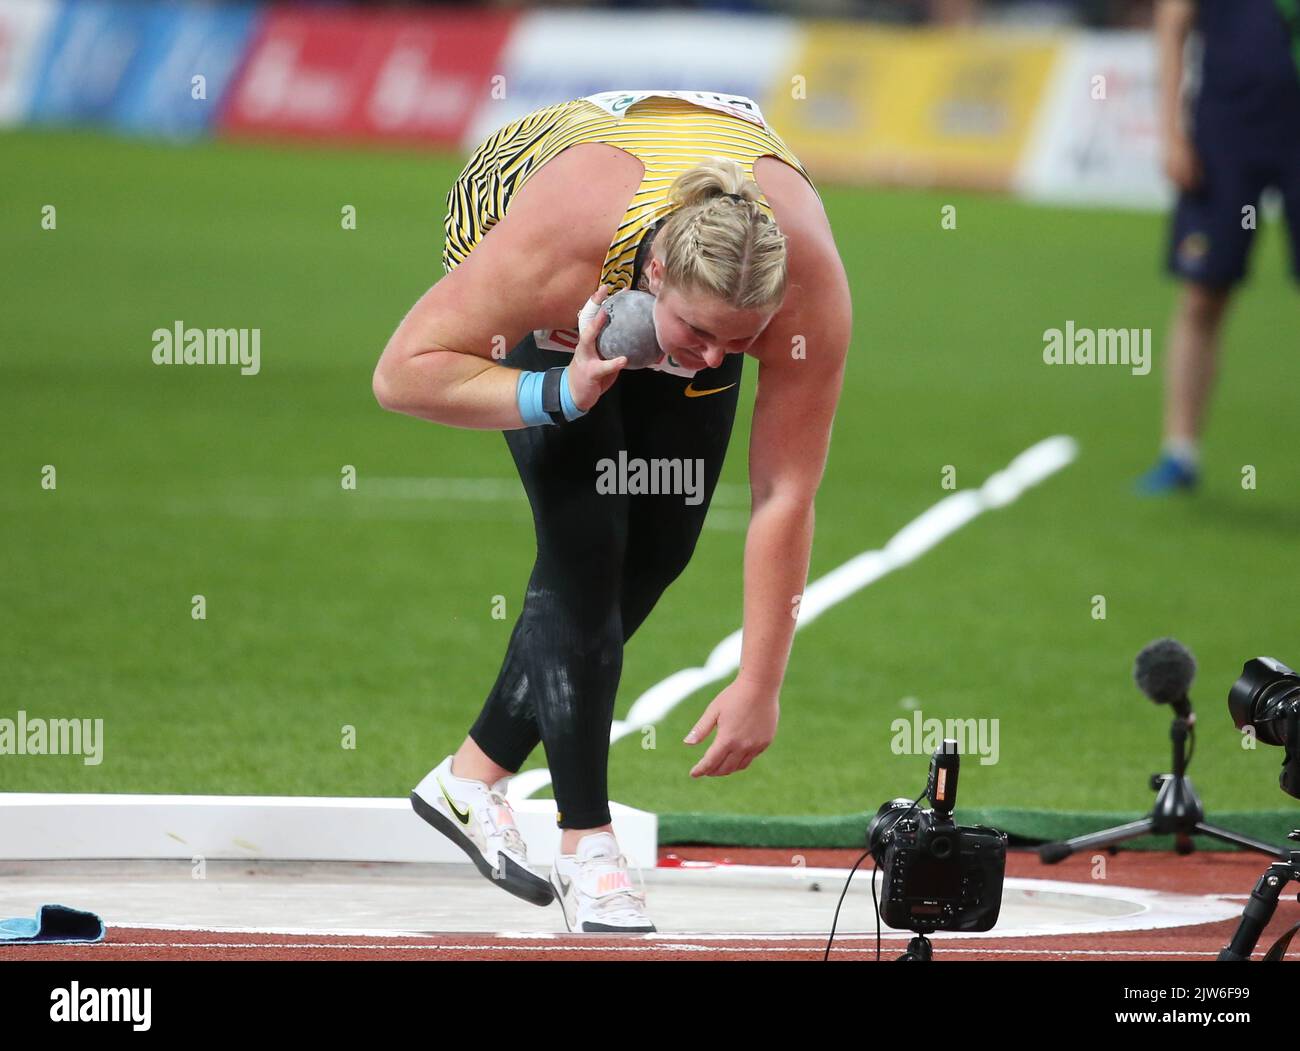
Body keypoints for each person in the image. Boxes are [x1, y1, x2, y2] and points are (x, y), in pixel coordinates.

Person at [373, 90, 852, 932]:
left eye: (737, 345)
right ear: (658, 274)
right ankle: (588, 845)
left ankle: (469, 778)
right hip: (537, 210)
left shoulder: (803, 289)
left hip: (691, 251)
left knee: (658, 546)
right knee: (588, 538)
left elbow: (785, 491)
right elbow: (403, 373)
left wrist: (761, 680)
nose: (709, 361)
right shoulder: (560, 243)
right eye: (698, 334)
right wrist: (558, 390)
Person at [1138, 0, 1300, 493]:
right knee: (1202, 293)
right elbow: (1172, 23)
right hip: (1225, 133)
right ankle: (1179, 452)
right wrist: (1170, 132)